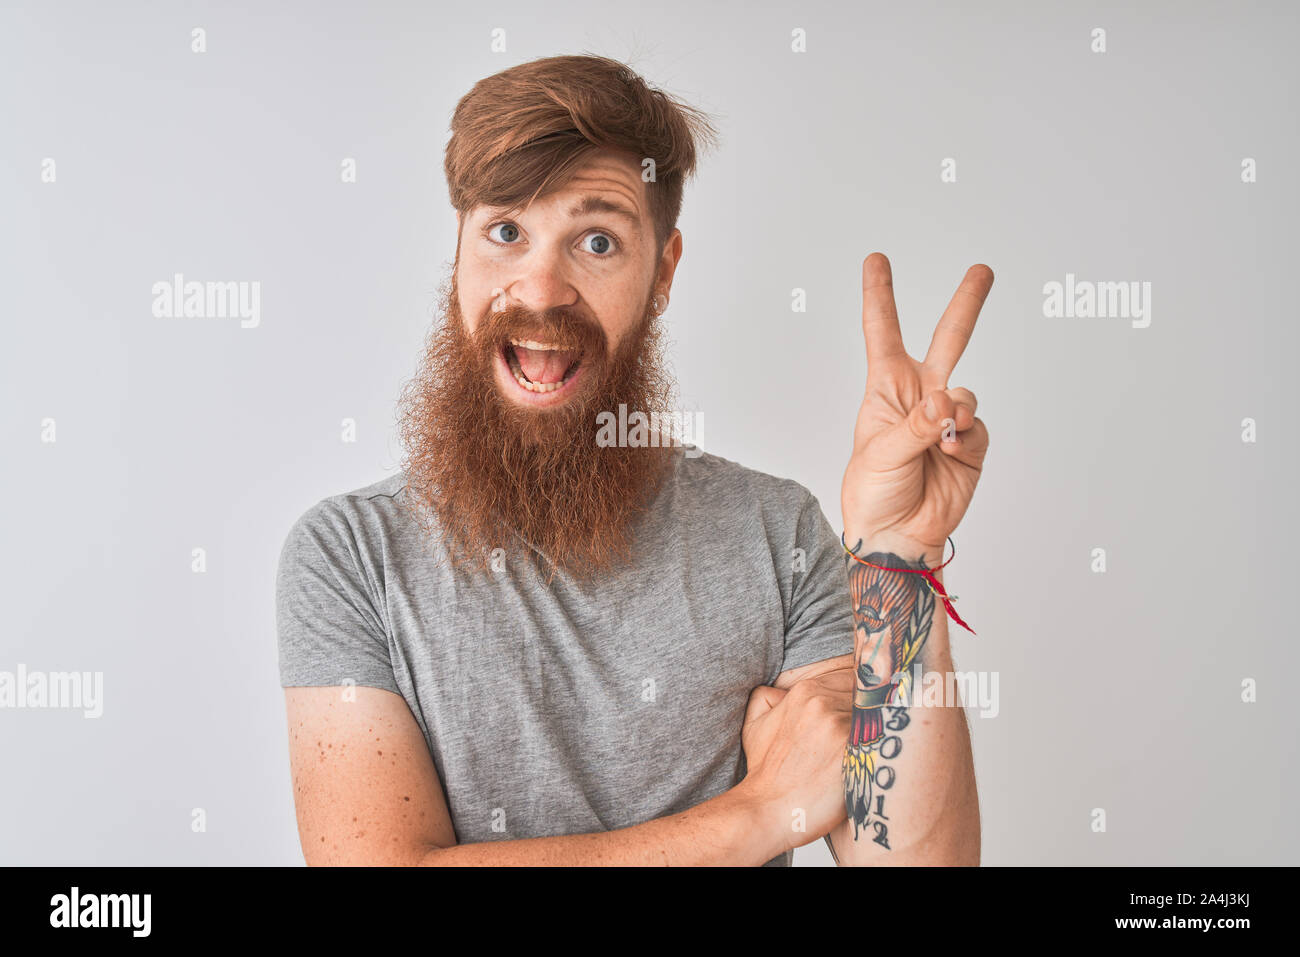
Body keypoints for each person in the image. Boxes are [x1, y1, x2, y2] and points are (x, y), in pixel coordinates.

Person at [275, 54, 991, 866]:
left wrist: (900, 550)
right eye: (505, 231)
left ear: (663, 273)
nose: (540, 287)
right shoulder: (349, 556)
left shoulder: (775, 533)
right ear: (458, 256)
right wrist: (758, 814)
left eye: (598, 240)